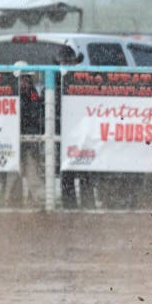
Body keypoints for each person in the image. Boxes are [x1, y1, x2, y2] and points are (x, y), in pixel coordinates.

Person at [53, 45, 95, 208]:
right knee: (68, 171)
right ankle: (70, 206)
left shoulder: (81, 81)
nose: (68, 66)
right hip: (65, 132)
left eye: (70, 63)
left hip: (80, 132)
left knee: (84, 170)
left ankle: (86, 205)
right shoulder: (56, 82)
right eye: (65, 63)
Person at [5, 61, 45, 206]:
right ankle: (12, 203)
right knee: (13, 174)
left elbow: (36, 116)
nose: (24, 82)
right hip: (13, 141)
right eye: (21, 78)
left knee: (32, 172)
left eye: (26, 78)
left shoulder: (33, 95)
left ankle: (39, 201)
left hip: (29, 140)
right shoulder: (10, 95)